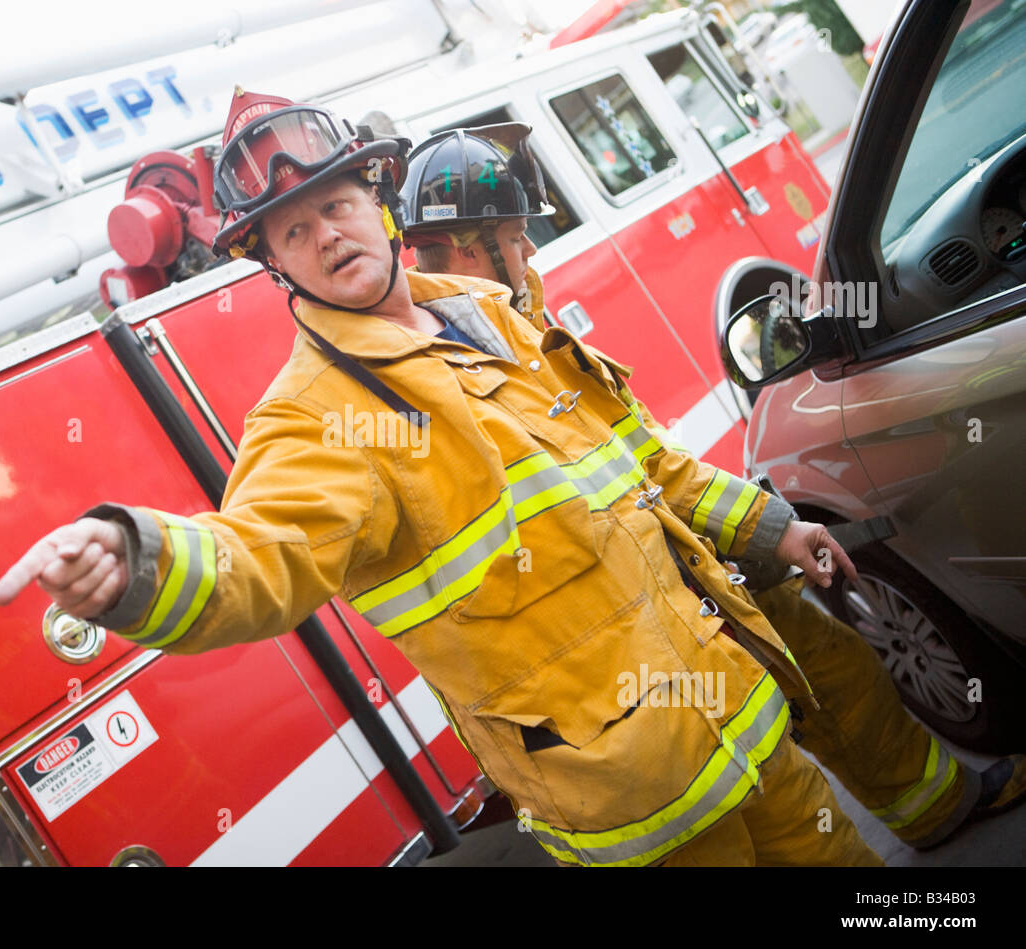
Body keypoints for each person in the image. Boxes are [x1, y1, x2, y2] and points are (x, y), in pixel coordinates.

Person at [0, 88, 887, 866]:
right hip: (637, 800)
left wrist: (778, 530)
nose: (325, 236)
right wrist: (135, 560)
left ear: (381, 201)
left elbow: (642, 461)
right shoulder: (312, 417)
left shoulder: (489, 314)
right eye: (294, 232)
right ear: (275, 267)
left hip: (740, 719)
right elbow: (260, 553)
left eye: (335, 205)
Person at [399, 122, 1026, 853]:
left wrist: (771, 531)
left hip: (696, 573)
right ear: (474, 244)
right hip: (643, 636)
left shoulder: (518, 330)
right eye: (516, 232)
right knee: (780, 789)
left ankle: (937, 807)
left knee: (836, 670)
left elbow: (650, 460)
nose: (532, 249)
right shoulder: (443, 371)